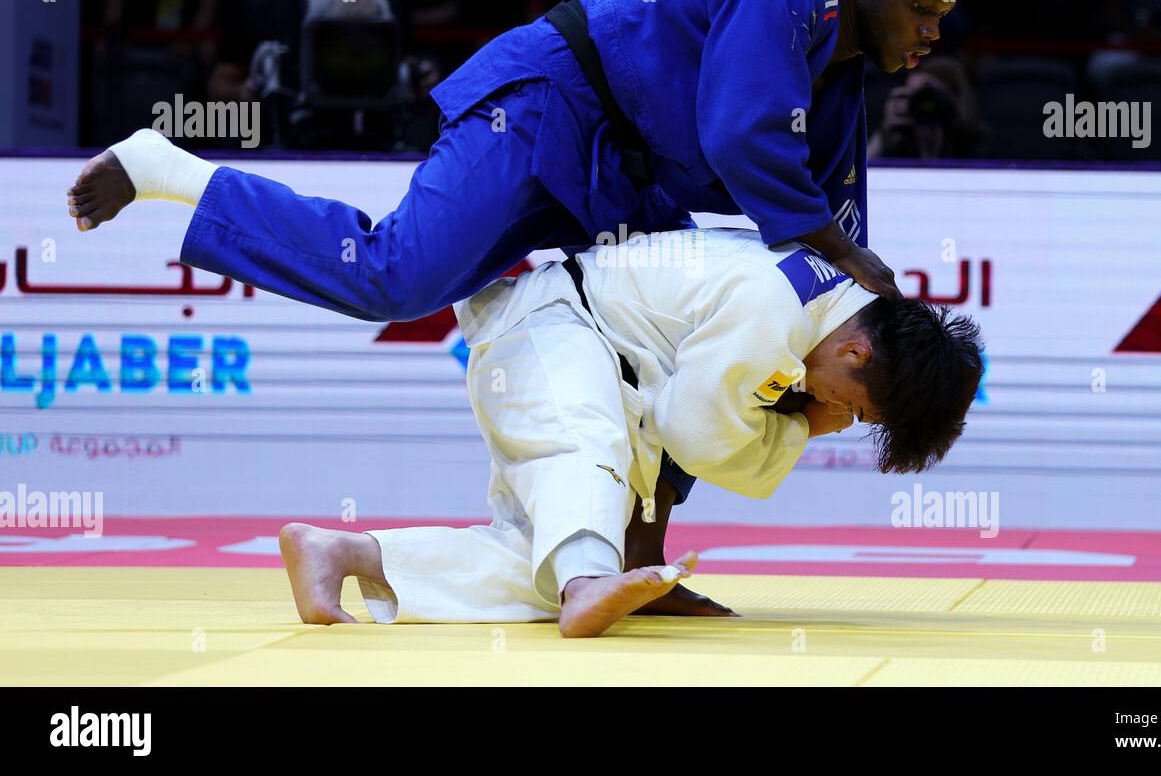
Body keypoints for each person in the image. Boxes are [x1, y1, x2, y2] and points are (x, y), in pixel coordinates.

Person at [67, 0, 961, 321]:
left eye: (943, 20)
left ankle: (636, 555)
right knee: (397, 280)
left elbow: (835, 245)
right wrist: (843, 252)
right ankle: (166, 169)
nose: (929, 33)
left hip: (624, 179)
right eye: (920, 9)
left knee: (661, 338)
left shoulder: (840, 88)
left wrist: (877, 336)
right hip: (549, 103)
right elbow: (740, 136)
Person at [279, 227, 985, 637]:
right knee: (585, 447)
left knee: (542, 562)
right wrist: (799, 432)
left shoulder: (824, 316)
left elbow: (702, 427)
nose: (840, 423)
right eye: (857, 411)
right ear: (856, 354)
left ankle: (344, 553)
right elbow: (698, 438)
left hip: (607, 367)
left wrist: (798, 420)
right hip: (557, 327)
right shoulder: (783, 306)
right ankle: (587, 584)